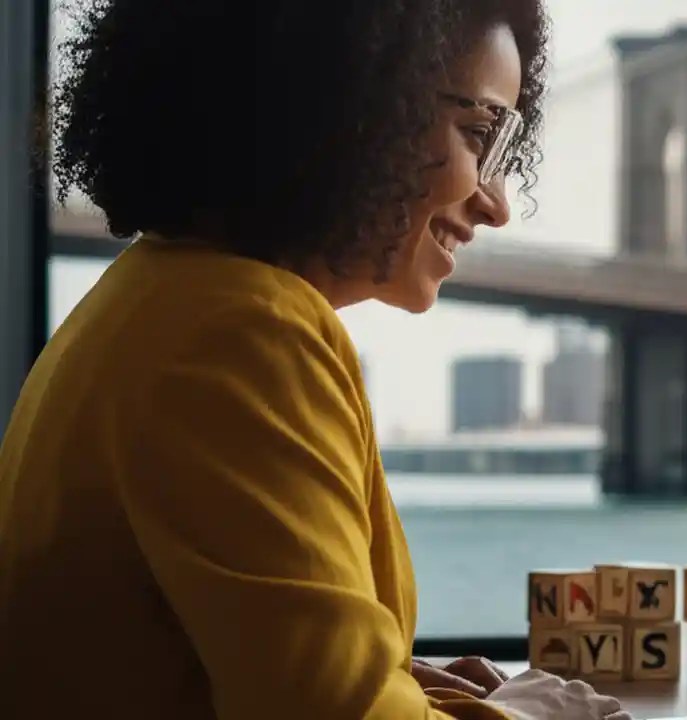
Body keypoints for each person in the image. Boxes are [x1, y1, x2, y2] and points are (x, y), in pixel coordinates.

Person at [0, 2, 629, 719]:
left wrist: (396, 681)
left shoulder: (147, 299)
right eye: (480, 134)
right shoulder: (245, 334)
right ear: (348, 105)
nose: (498, 204)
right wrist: (533, 715)